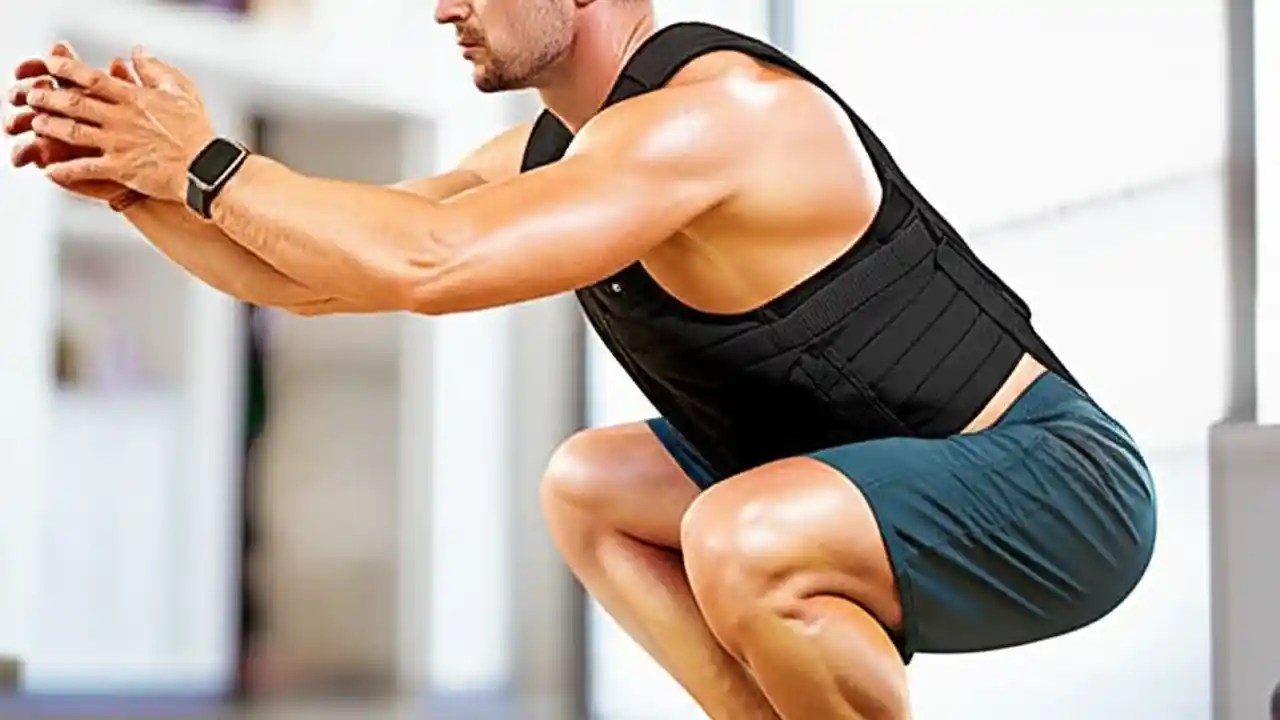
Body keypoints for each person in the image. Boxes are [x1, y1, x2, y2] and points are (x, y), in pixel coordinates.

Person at [6, 2, 1158, 718]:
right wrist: (141, 185)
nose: (445, 5)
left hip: (1056, 489)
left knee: (737, 534)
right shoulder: (547, 153)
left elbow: (431, 261)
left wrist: (204, 161)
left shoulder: (721, 117)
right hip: (855, 474)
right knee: (591, 487)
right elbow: (319, 274)